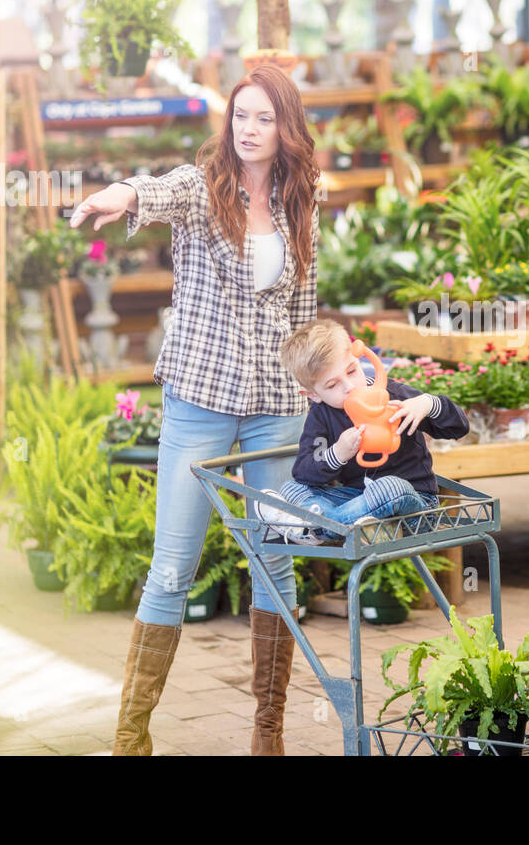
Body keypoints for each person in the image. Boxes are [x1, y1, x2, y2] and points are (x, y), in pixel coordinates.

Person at [68, 65, 319, 756]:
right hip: (201, 403)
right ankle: (131, 738)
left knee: (275, 562)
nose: (249, 129)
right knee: (173, 568)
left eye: (264, 118)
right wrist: (115, 198)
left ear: (285, 127)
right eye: (241, 115)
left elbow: (302, 308)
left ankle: (267, 735)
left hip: (275, 406)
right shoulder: (204, 188)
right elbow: (155, 190)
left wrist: (319, 384)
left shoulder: (304, 201)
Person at [257, 318, 470, 543]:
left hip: (412, 504)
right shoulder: (321, 415)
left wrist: (428, 404)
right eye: (332, 385)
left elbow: (459, 427)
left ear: (359, 360)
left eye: (351, 371)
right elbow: (304, 472)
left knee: (388, 487)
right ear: (313, 395)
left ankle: (317, 529)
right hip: (356, 500)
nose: (349, 387)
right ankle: (346, 523)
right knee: (293, 487)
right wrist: (337, 454)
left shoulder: (392, 394)